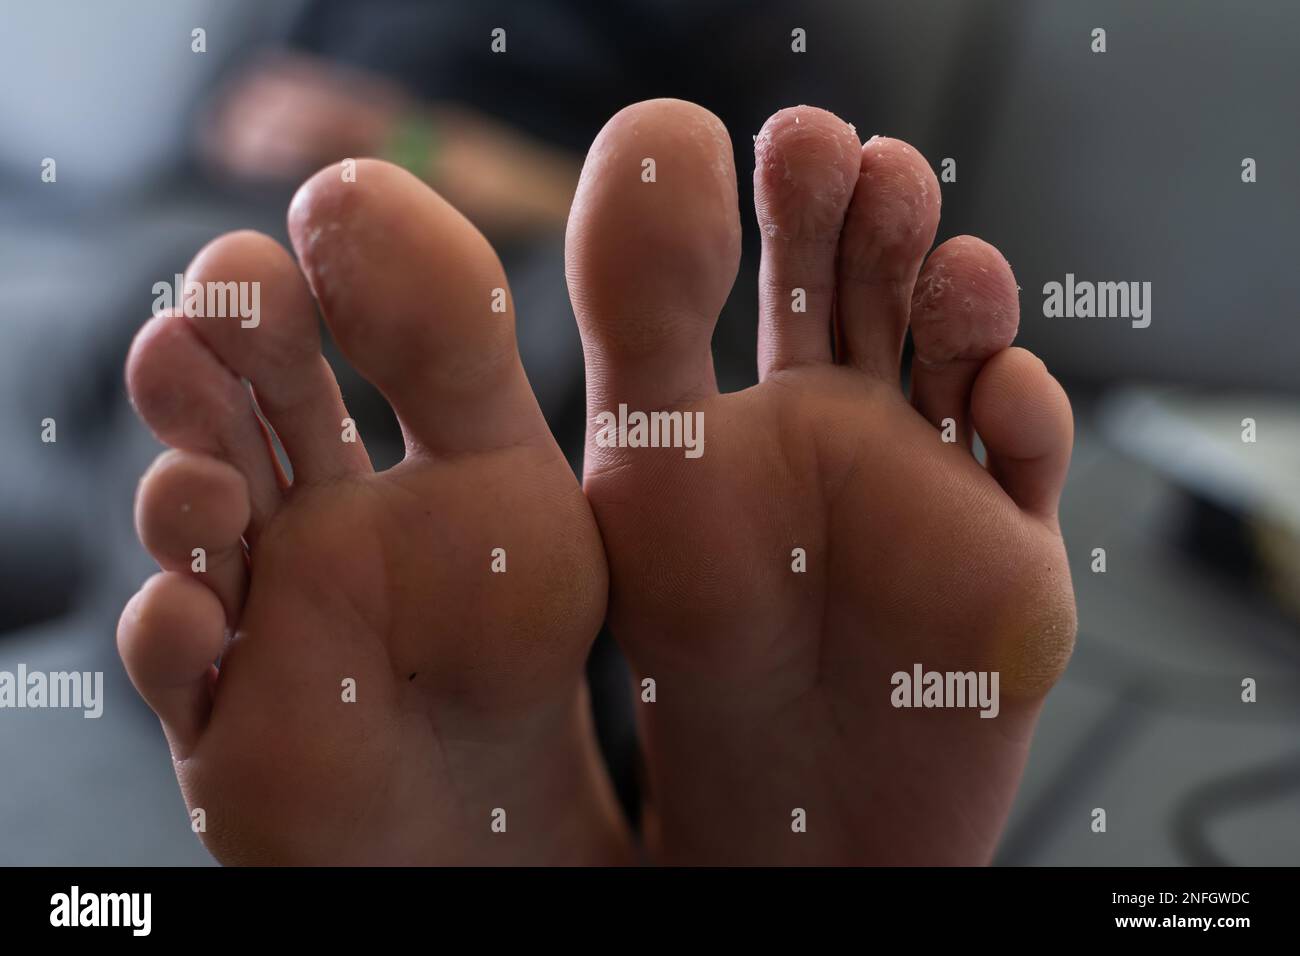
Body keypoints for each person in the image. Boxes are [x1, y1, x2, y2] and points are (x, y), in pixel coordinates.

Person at [118, 98, 1076, 864]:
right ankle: (542, 700)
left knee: (548, 428)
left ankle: (563, 704)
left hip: (540, 248)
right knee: (239, 435)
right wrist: (268, 117)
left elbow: (752, 174)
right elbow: (225, 104)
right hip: (271, 260)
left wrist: (419, 141)